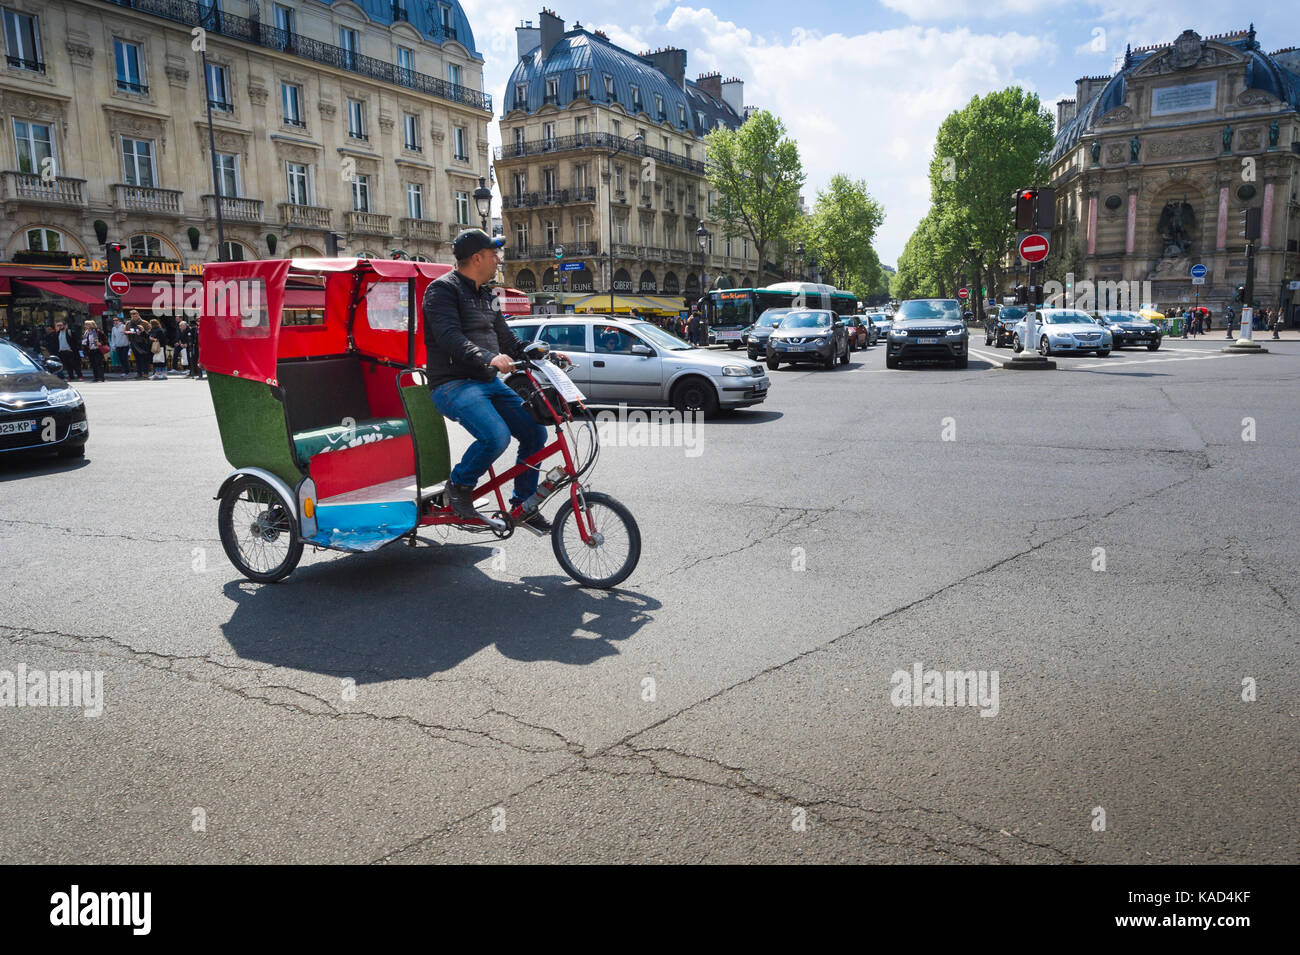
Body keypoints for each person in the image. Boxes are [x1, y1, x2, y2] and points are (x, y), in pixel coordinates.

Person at [423, 229, 548, 529]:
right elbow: (449, 337)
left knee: (535, 433)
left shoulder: (487, 294)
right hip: (453, 385)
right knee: (495, 436)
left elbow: (506, 338)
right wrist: (487, 357)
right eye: (494, 254)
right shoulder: (441, 290)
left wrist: (543, 354)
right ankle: (459, 486)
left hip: (488, 382)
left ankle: (523, 504)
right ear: (477, 258)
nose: (498, 259)